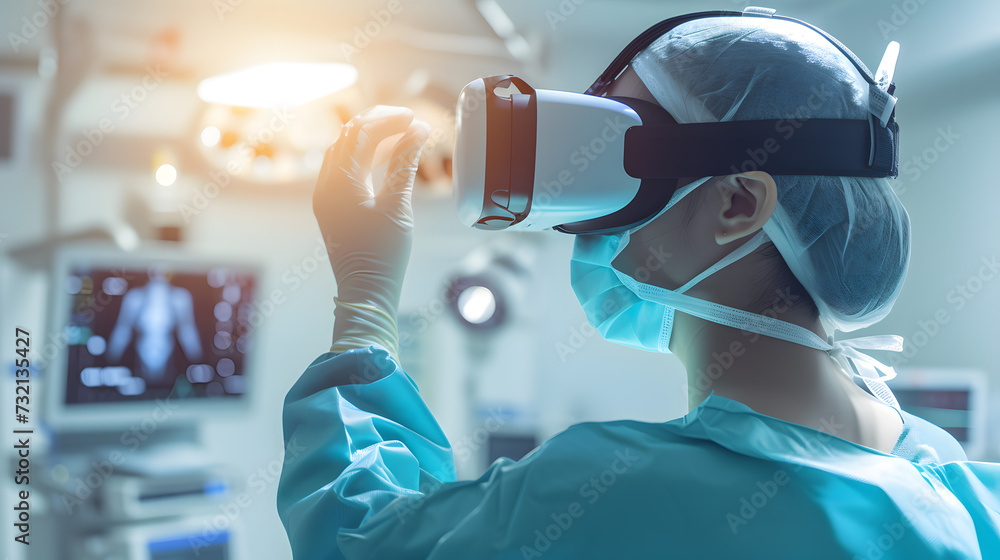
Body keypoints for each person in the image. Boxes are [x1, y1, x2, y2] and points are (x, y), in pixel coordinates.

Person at [277, 12, 1000, 560]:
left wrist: (364, 301)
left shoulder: (617, 489)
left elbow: (359, 537)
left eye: (625, 162)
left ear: (737, 205)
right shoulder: (954, 487)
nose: (594, 210)